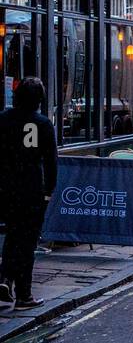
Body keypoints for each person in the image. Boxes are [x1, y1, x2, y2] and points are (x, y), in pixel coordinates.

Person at [0, 78, 58, 310]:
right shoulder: (42, 124)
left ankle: (5, 280)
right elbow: (51, 161)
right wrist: (49, 191)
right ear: (39, 100)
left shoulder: (3, 120)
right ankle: (24, 295)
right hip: (31, 189)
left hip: (5, 189)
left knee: (14, 235)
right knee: (27, 242)